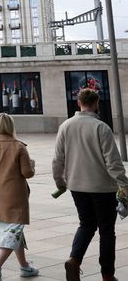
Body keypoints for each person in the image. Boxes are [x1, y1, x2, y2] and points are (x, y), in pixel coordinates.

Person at [52, 88, 128, 281]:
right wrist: (124, 184)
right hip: (102, 188)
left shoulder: (65, 126)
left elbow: (57, 160)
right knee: (106, 231)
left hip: (77, 186)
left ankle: (74, 260)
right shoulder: (101, 128)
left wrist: (60, 183)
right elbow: (113, 162)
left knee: (86, 224)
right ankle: (107, 275)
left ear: (79, 103)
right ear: (96, 104)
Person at [0, 113, 39, 280]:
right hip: (16, 194)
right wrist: (32, 166)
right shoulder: (18, 146)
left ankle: (24, 266)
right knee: (13, 230)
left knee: (13, 229)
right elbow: (27, 173)